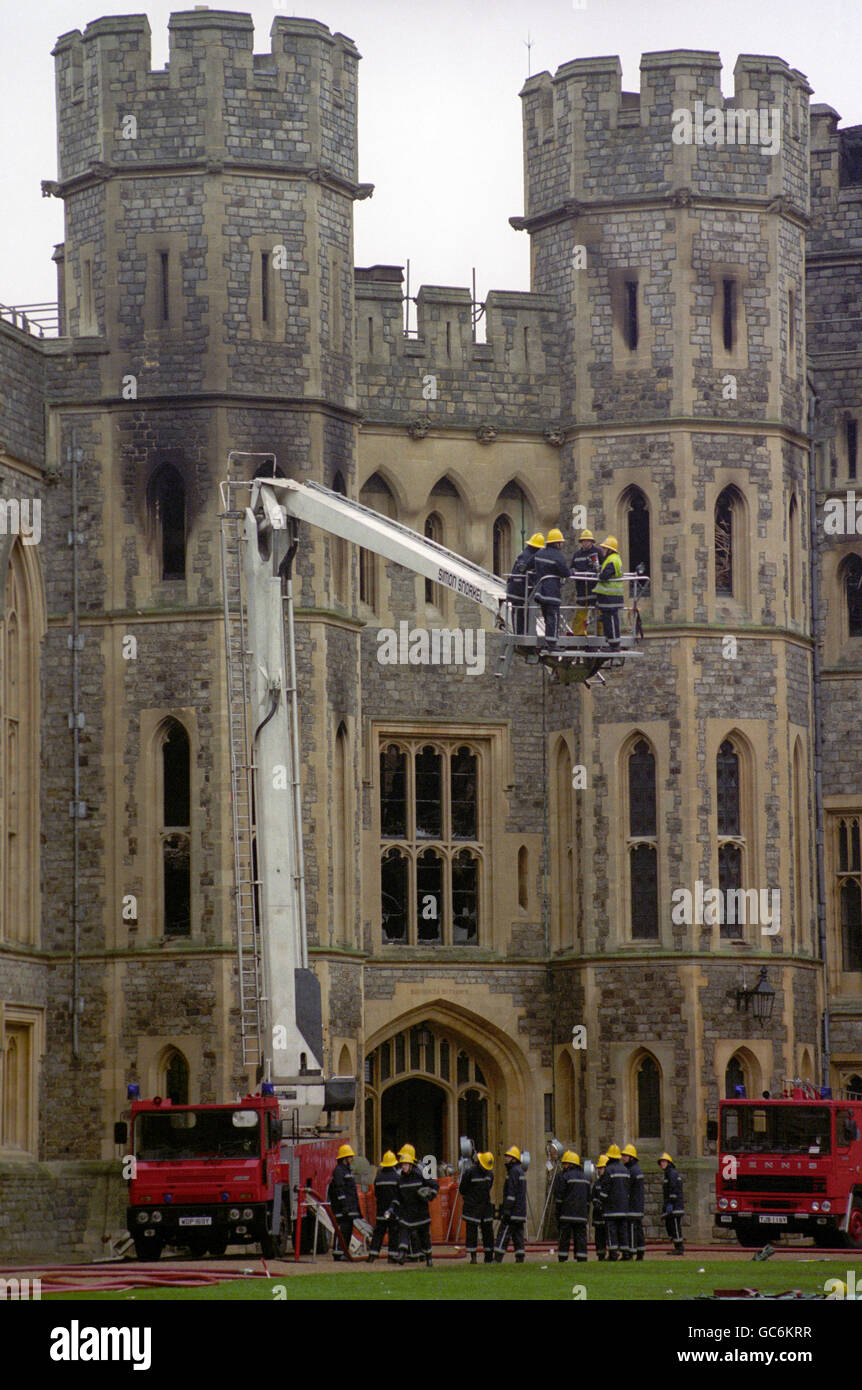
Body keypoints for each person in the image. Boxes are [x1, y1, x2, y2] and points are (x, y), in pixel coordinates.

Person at [390, 1144, 438, 1267]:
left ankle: (429, 1257)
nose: (403, 1167)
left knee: (424, 1237)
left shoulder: (421, 1174)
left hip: (421, 1212)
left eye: (405, 1164)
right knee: (403, 1231)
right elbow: (397, 1197)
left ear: (411, 1164)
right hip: (407, 1212)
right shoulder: (400, 1180)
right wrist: (392, 1208)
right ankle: (401, 1254)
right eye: (402, 1164)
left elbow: (434, 1186)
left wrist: (429, 1196)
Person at [532, 529, 571, 650]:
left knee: (546, 617)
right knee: (553, 617)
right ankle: (552, 644)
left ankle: (549, 641)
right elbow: (565, 572)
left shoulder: (539, 553)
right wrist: (572, 571)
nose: (562, 544)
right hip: (552, 592)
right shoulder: (557, 556)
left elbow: (529, 565)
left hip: (540, 591)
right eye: (560, 542)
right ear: (556, 543)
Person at [553, 1150, 590, 1262]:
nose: (563, 1166)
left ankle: (563, 1257)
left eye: (565, 1164)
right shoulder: (585, 1178)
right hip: (581, 1215)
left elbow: (560, 1197)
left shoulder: (565, 1177)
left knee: (564, 1238)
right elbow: (588, 1198)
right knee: (581, 1238)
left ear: (570, 1164)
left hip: (567, 1214)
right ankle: (581, 1257)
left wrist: (558, 1213)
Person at [459, 1150, 495, 1263]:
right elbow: (462, 1188)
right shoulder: (470, 1172)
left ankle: (488, 1256)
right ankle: (473, 1257)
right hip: (472, 1206)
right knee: (471, 1232)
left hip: (485, 1205)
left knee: (488, 1232)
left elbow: (489, 1187)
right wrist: (470, 1199)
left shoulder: (490, 1173)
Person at [494, 1144, 528, 1262]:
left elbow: (511, 1194)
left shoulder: (513, 1172)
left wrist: (506, 1210)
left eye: (508, 1157)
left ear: (514, 1159)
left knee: (503, 1233)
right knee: (518, 1235)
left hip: (513, 1211)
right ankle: (520, 1257)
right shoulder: (520, 1171)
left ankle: (497, 1258)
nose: (505, 1159)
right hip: (520, 1211)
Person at [327, 1142, 360, 1260]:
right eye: (350, 1157)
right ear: (345, 1158)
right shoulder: (339, 1171)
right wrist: (344, 1205)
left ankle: (344, 1251)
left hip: (348, 1206)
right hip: (341, 1207)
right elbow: (339, 1189)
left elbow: (351, 1190)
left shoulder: (346, 1170)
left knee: (347, 1229)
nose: (352, 1159)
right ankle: (338, 1252)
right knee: (342, 1229)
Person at [506, 533, 544, 636]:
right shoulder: (527, 557)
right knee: (520, 617)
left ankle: (522, 635)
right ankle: (520, 637)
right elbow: (523, 576)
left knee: (523, 617)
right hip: (519, 594)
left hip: (521, 593)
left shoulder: (526, 555)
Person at [366, 1150, 399, 1264]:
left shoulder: (379, 1177)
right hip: (393, 1210)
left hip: (381, 1210)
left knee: (378, 1233)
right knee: (393, 1233)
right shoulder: (397, 1177)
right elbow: (399, 1195)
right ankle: (392, 1256)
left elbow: (376, 1193)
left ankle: (372, 1255)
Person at [600, 1143, 630, 1262]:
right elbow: (628, 1188)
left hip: (611, 1208)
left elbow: (605, 1190)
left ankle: (613, 1254)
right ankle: (626, 1254)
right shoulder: (625, 1170)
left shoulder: (608, 1170)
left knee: (611, 1231)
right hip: (623, 1207)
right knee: (623, 1231)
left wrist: (601, 1201)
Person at [594, 535, 624, 649]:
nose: (602, 550)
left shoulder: (612, 560)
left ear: (610, 549)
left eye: (604, 548)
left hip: (611, 597)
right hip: (610, 598)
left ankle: (614, 644)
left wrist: (599, 575)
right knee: (609, 620)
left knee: (611, 620)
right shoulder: (612, 559)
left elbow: (605, 575)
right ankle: (612, 643)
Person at [569, 529, 601, 636]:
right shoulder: (576, 555)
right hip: (582, 590)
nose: (586, 543)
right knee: (580, 616)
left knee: (599, 616)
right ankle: (579, 636)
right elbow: (571, 568)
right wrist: (573, 571)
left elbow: (600, 569)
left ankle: (602, 636)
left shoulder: (597, 553)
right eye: (584, 541)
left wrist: (591, 572)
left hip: (595, 590)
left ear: (592, 542)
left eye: (588, 541)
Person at [622, 1142, 645, 1261]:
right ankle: (640, 1252)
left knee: (631, 1229)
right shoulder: (637, 1169)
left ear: (631, 1157)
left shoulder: (631, 1171)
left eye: (625, 1156)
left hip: (632, 1205)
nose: (623, 1158)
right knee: (638, 1229)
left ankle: (631, 1253)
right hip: (638, 1205)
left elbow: (627, 1188)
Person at [658, 1152, 685, 1255]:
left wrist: (671, 1203)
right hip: (674, 1205)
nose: (662, 1164)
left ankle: (679, 1247)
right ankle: (677, 1246)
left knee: (675, 1226)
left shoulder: (671, 1173)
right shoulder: (669, 1173)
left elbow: (673, 1189)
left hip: (675, 1206)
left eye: (664, 1162)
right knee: (672, 1226)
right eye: (661, 1162)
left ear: (669, 1163)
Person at [592, 1153, 608, 1261]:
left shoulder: (608, 1182)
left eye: (601, 1168)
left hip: (606, 1214)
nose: (599, 1170)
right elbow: (593, 1196)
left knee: (607, 1235)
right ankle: (600, 1254)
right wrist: (596, 1203)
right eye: (598, 1168)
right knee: (599, 1236)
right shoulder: (597, 1183)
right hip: (598, 1214)